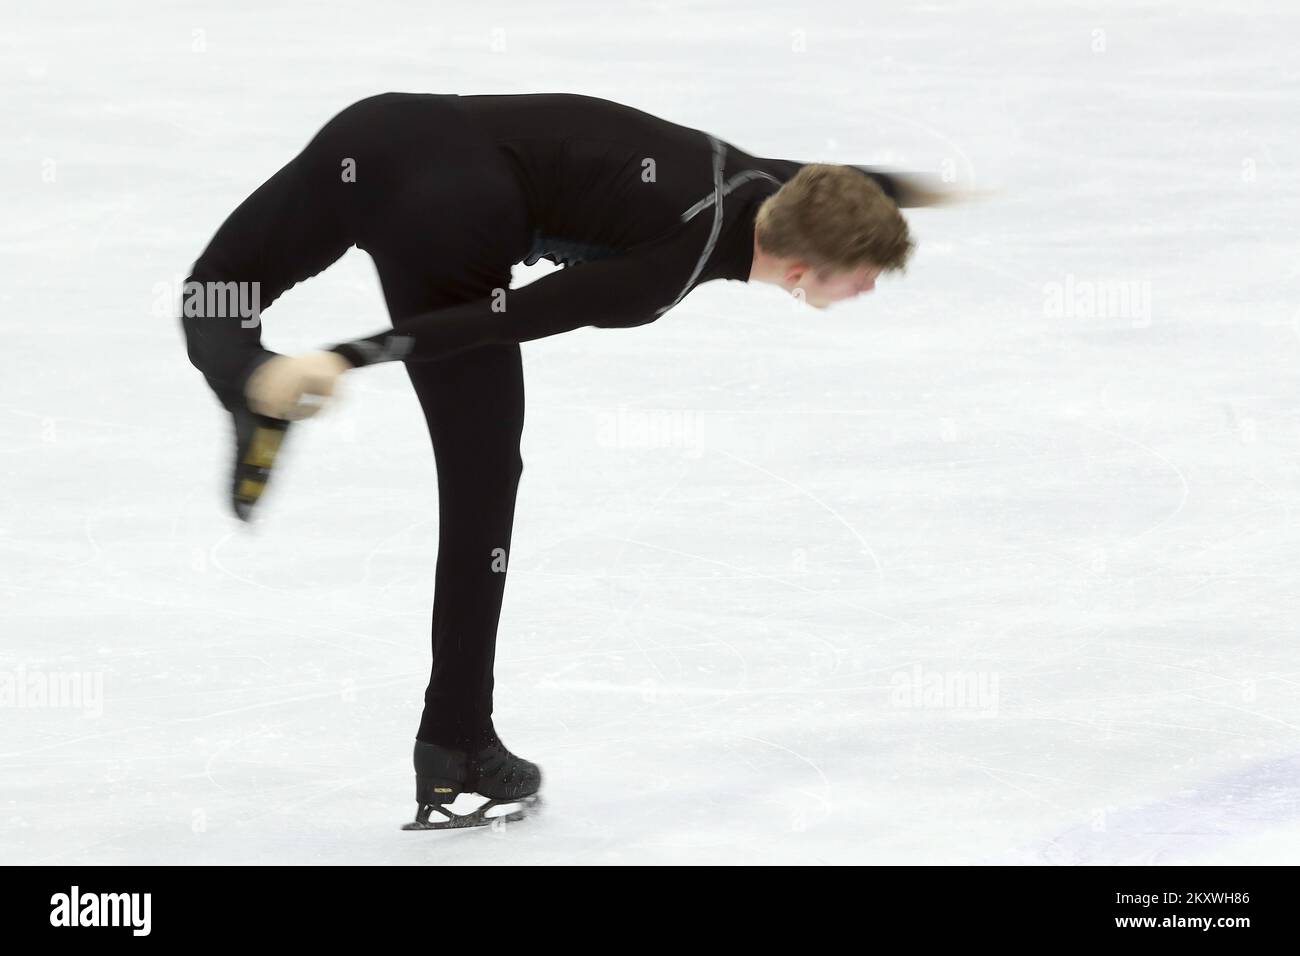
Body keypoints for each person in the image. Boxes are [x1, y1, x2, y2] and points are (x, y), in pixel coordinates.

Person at [179, 91, 946, 829]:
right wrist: (343, 358)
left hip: (379, 130)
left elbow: (841, 184)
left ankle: (248, 383)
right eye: (865, 277)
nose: (872, 288)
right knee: (482, 482)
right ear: (804, 274)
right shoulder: (669, 265)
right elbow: (500, 317)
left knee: (214, 293)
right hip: (448, 219)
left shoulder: (764, 180)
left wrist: (936, 190)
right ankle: (458, 747)